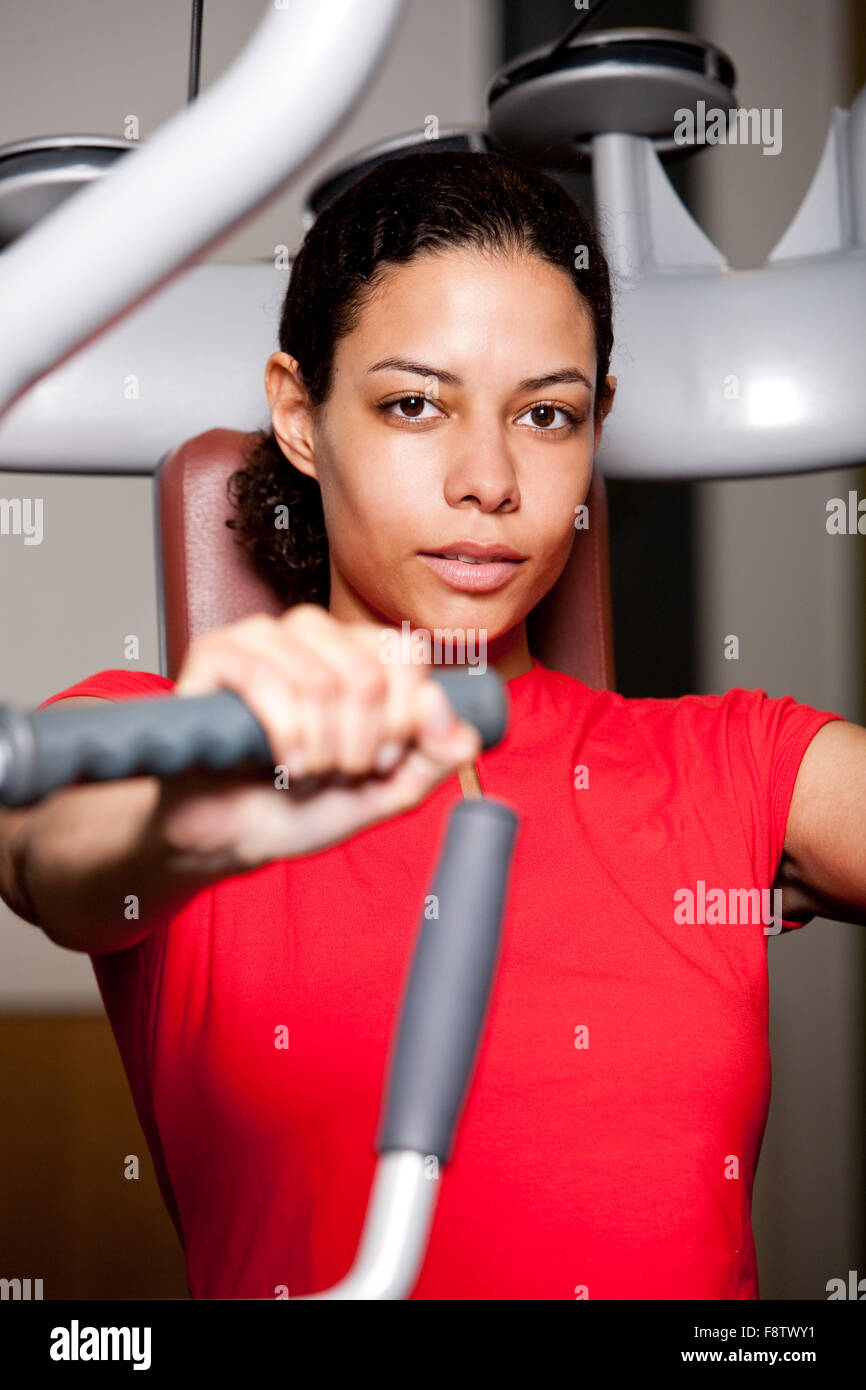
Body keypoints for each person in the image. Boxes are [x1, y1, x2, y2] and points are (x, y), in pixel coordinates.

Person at [0, 150, 860, 1301]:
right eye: (414, 403)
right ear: (300, 417)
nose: (488, 478)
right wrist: (188, 817)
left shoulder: (729, 765)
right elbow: (49, 848)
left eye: (545, 415)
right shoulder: (173, 744)